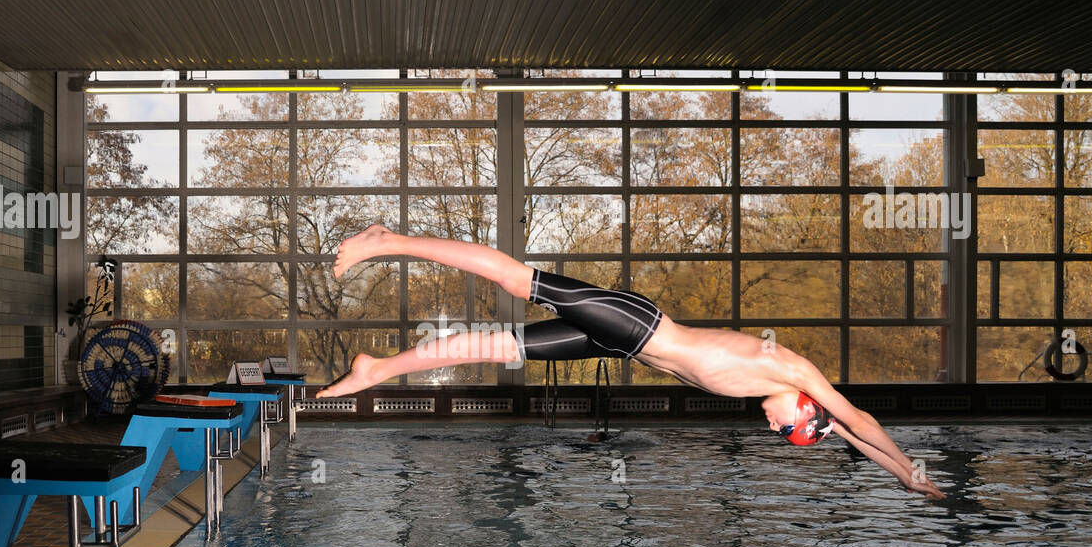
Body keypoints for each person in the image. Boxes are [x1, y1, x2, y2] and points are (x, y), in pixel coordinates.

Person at [319, 224, 945, 500]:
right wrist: (909, 465)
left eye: (782, 435)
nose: (772, 429)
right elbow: (858, 417)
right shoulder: (796, 371)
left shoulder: (778, 391)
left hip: (624, 344)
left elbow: (847, 434)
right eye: (785, 430)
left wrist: (897, 475)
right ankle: (390, 243)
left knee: (503, 348)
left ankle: (378, 370)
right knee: (518, 280)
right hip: (639, 322)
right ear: (803, 406)